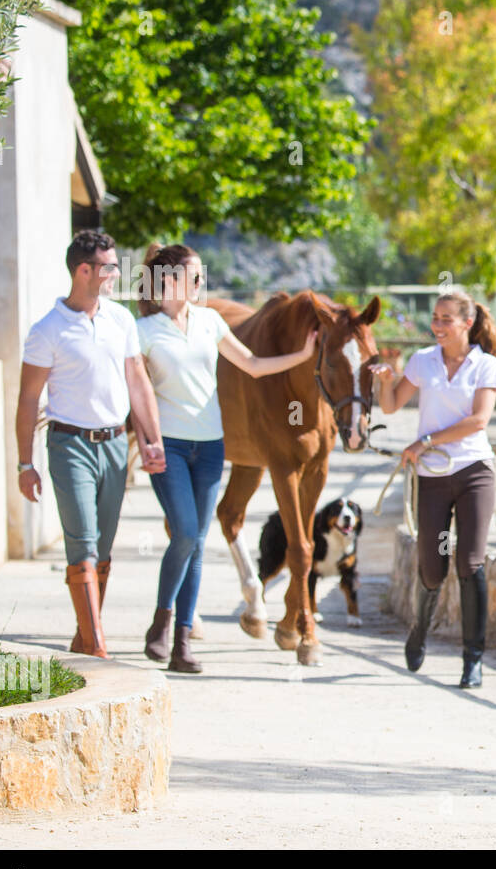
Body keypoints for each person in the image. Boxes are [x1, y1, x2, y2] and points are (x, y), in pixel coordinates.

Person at [134, 244, 318, 673]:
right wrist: (145, 440)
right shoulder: (143, 333)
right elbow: (136, 392)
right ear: (169, 282)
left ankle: (181, 642)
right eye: (195, 277)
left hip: (211, 447)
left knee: (197, 540)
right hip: (171, 447)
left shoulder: (210, 321)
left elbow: (252, 364)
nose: (202, 285)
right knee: (184, 533)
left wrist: (303, 357)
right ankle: (162, 621)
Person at [16, 230, 168, 658]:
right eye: (110, 267)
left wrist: (152, 440)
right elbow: (28, 399)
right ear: (84, 270)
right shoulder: (47, 330)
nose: (117, 273)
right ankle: (98, 648)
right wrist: (24, 464)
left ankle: (85, 640)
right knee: (81, 547)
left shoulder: (120, 321)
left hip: (115, 446)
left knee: (102, 551)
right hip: (69, 446)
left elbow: (137, 382)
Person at [371, 288, 496, 688]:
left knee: (471, 562)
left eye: (447, 319)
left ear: (467, 323)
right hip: (431, 477)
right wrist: (385, 381)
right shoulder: (423, 361)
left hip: (473, 470)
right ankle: (419, 629)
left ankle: (473, 660)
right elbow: (393, 406)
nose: (438, 325)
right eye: (435, 318)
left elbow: (479, 421)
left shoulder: (486, 366)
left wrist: (425, 442)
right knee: (432, 566)